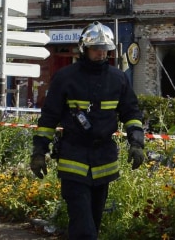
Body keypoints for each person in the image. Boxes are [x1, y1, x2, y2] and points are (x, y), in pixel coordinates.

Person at [31, 22, 145, 240]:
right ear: (84, 48)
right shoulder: (65, 78)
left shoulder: (118, 79)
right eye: (96, 48)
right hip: (73, 158)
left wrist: (137, 144)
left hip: (104, 161)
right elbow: (49, 118)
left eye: (105, 49)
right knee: (83, 227)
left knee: (94, 222)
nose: (101, 53)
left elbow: (131, 114)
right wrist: (39, 151)